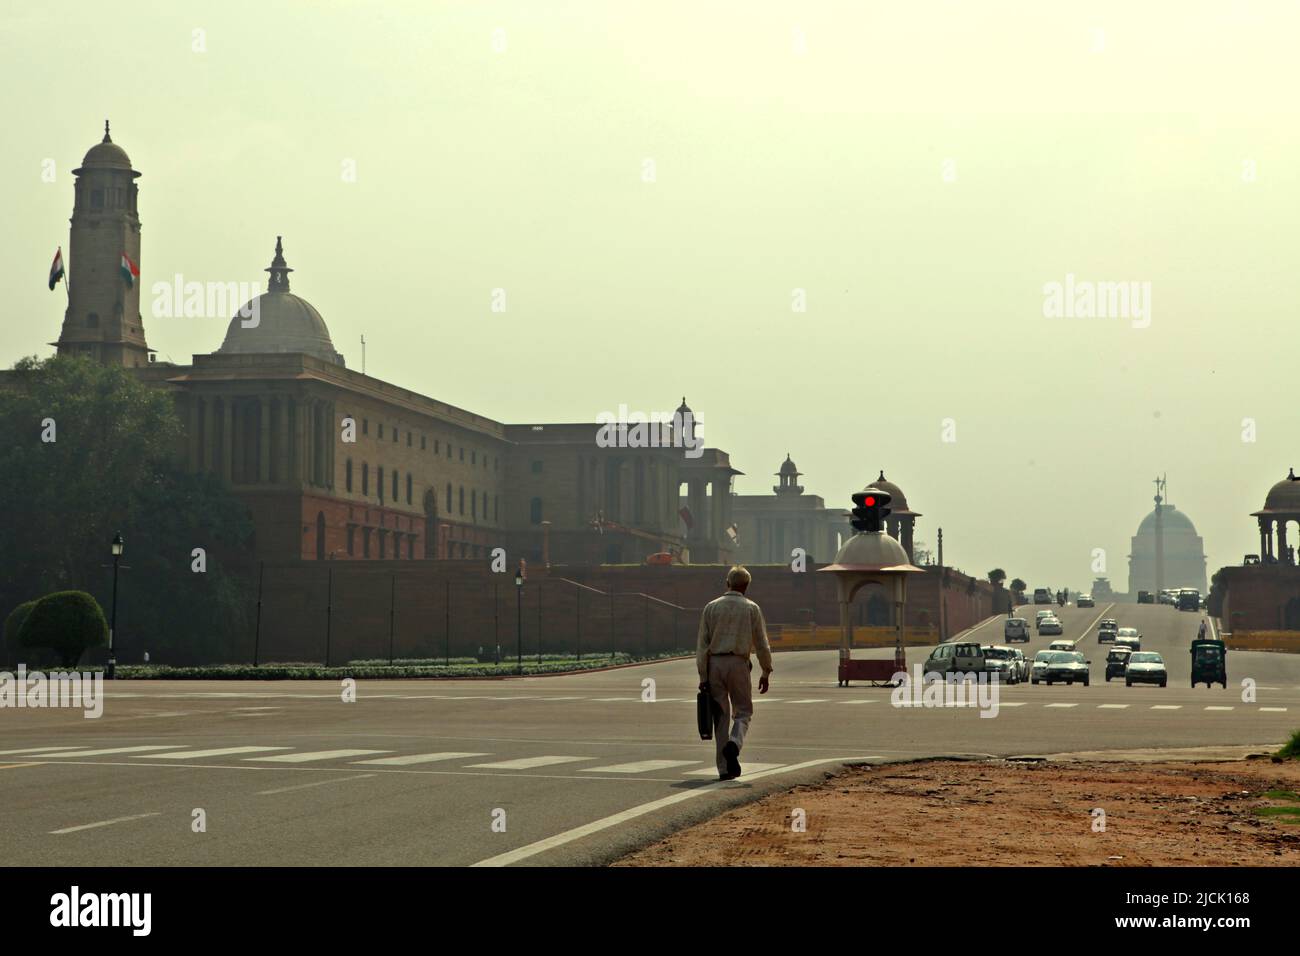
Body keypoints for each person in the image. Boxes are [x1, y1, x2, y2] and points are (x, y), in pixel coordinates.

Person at [696, 566, 774, 781]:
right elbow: (761, 644)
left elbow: (702, 645)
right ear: (746, 587)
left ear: (727, 583)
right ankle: (735, 743)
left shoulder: (711, 607)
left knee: (720, 717)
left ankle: (723, 769)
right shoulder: (751, 608)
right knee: (743, 712)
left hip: (715, 664)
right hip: (739, 663)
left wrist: (703, 676)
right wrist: (766, 670)